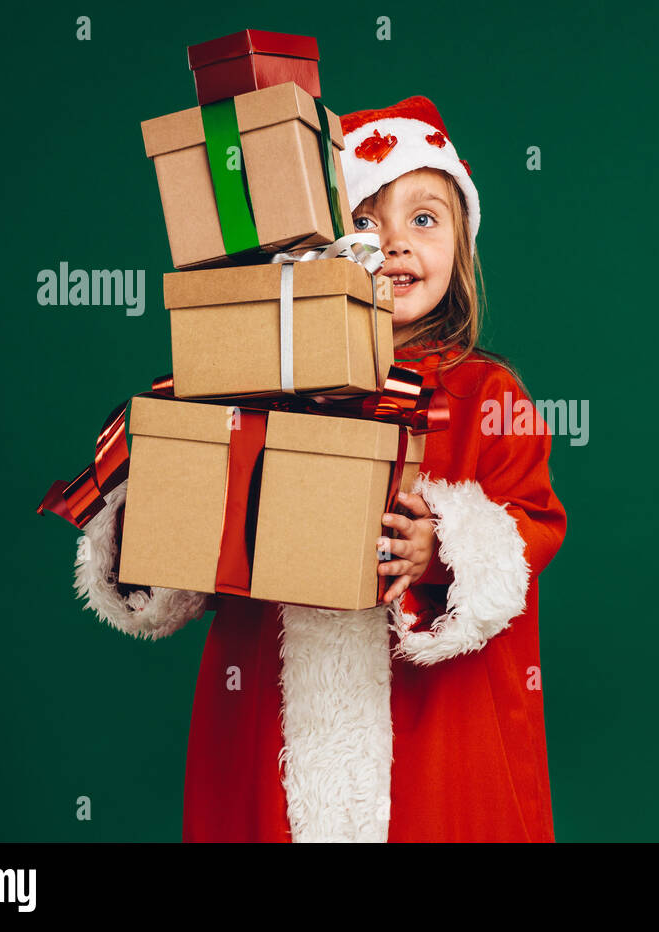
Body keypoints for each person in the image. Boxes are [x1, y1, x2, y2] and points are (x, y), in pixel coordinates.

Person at [74, 95, 568, 842]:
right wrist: (159, 516)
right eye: (365, 222)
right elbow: (198, 549)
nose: (395, 244)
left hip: (429, 727)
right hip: (270, 716)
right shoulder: (257, 381)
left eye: (424, 219)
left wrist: (445, 545)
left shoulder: (487, 395)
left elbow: (530, 527)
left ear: (462, 246)